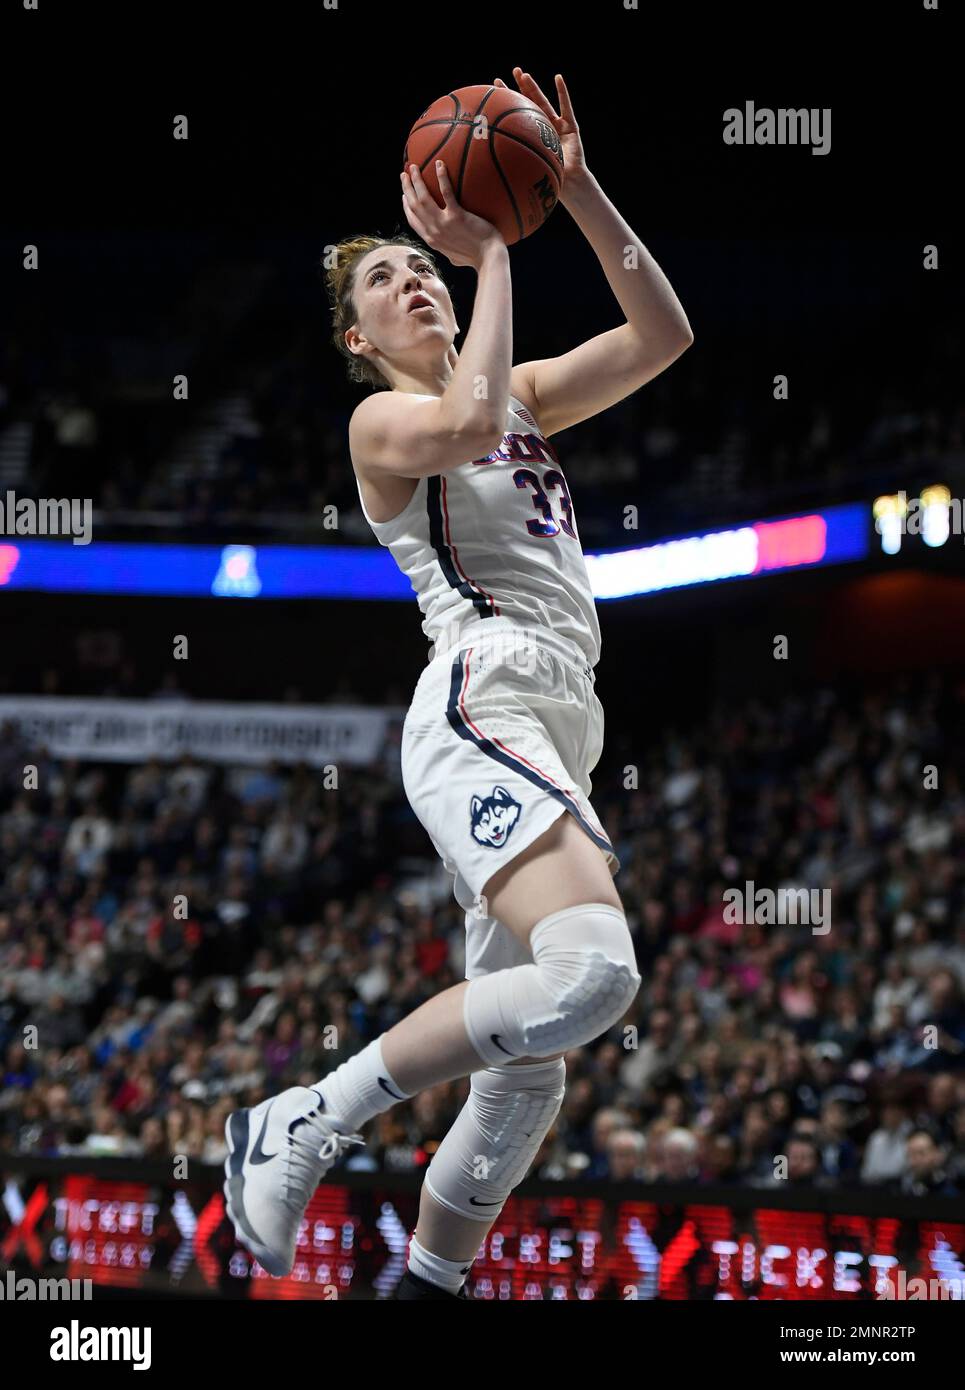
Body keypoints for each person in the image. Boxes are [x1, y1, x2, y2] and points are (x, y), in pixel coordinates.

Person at [224, 68, 693, 1300]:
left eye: (414, 264)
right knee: (594, 976)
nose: (410, 278)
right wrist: (489, 258)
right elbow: (472, 413)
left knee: (525, 1062)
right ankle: (305, 1118)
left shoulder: (524, 395)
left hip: (560, 709)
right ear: (356, 339)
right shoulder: (381, 430)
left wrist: (577, 190)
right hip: (480, 694)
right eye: (384, 279)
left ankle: (428, 1285)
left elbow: (663, 336)